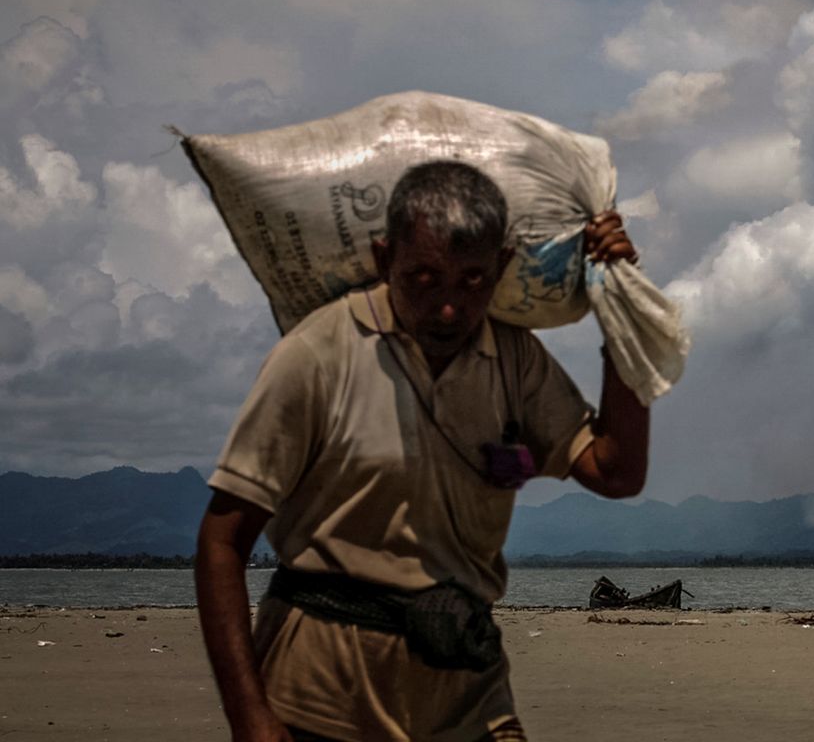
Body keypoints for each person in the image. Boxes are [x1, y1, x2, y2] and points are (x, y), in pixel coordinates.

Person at [195, 161, 650, 742]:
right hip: (323, 693)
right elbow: (222, 540)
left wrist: (621, 306)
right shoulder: (318, 354)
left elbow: (615, 472)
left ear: (502, 267)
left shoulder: (515, 359)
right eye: (424, 278)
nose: (449, 309)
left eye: (472, 281)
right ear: (386, 261)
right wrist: (250, 716)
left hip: (466, 686)